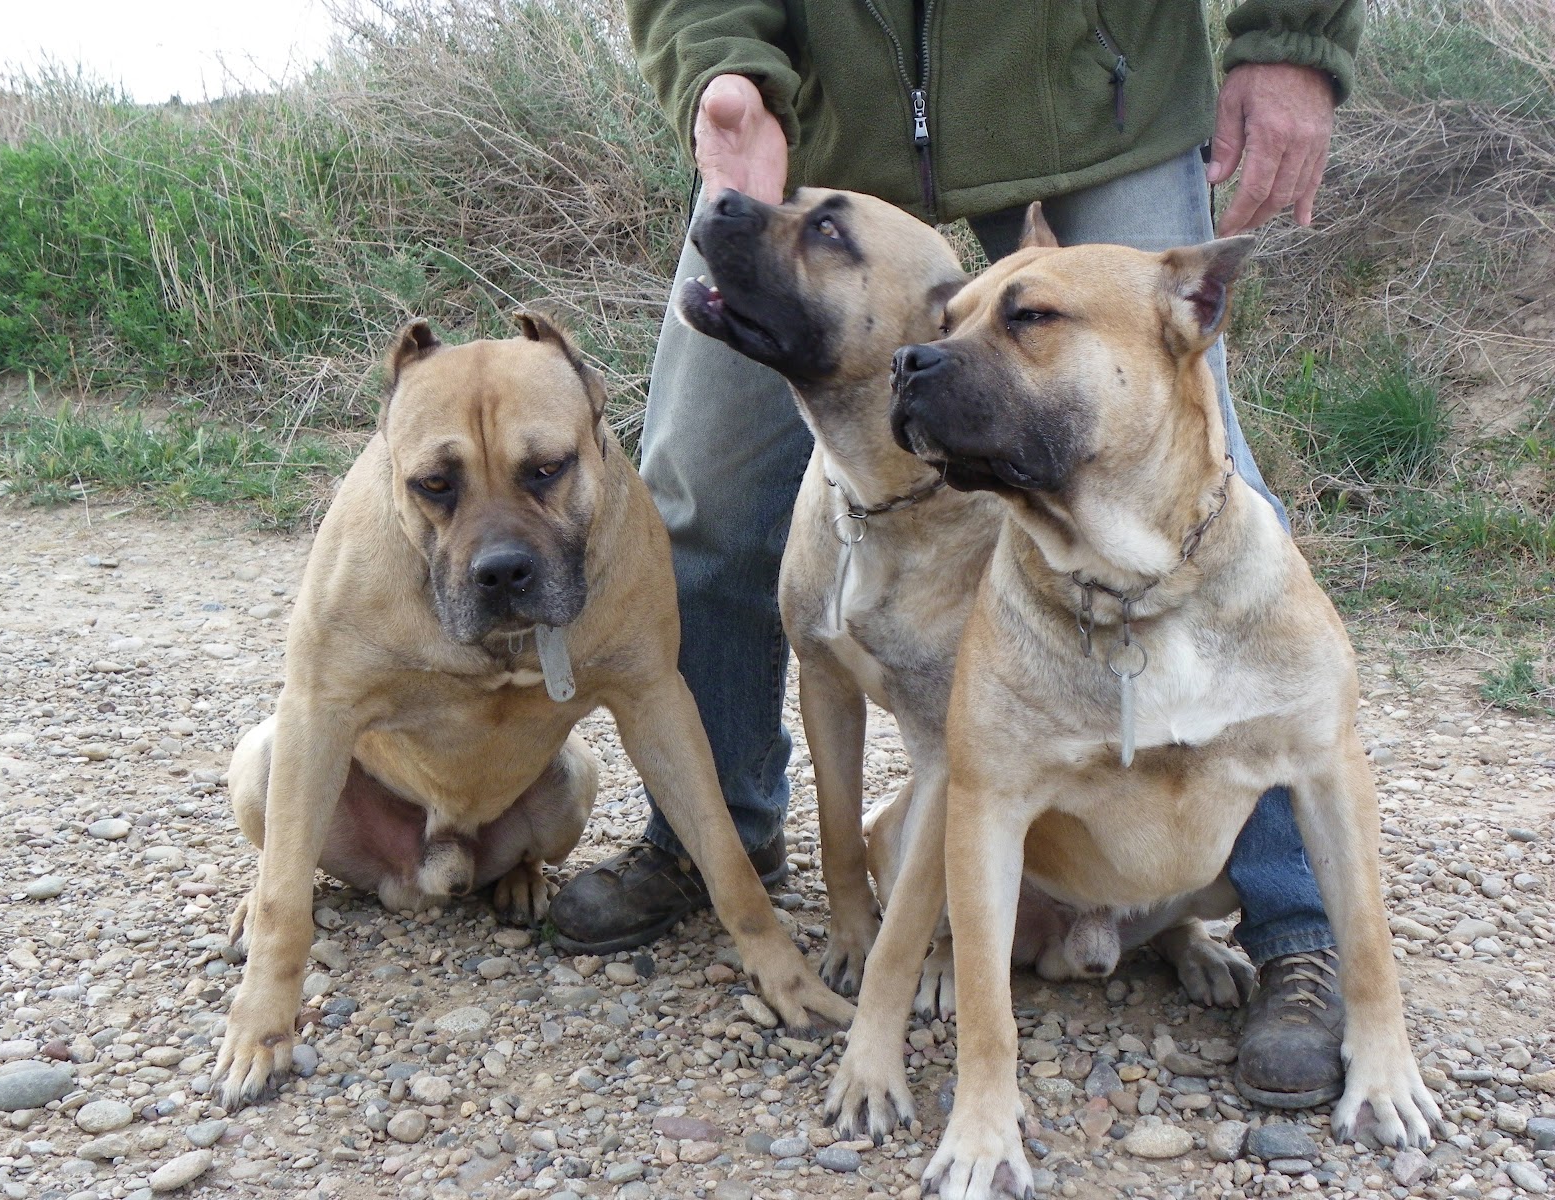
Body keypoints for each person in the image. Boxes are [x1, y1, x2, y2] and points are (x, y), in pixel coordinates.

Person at [551, 0, 1364, 1110]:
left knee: (1199, 492)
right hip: (828, 122)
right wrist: (717, 64)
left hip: (1096, 92)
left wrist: (1293, 42)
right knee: (696, 493)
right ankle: (713, 841)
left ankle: (1291, 921)